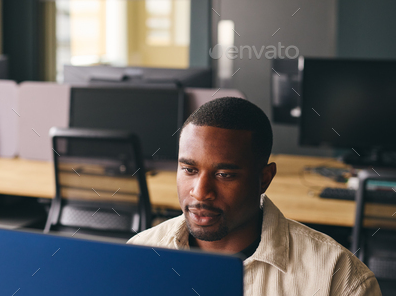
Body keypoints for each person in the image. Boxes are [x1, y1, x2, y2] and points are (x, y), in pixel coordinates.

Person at [128, 97, 381, 296]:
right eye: (189, 170)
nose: (200, 192)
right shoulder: (137, 257)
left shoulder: (337, 281)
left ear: (264, 178)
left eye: (224, 174)